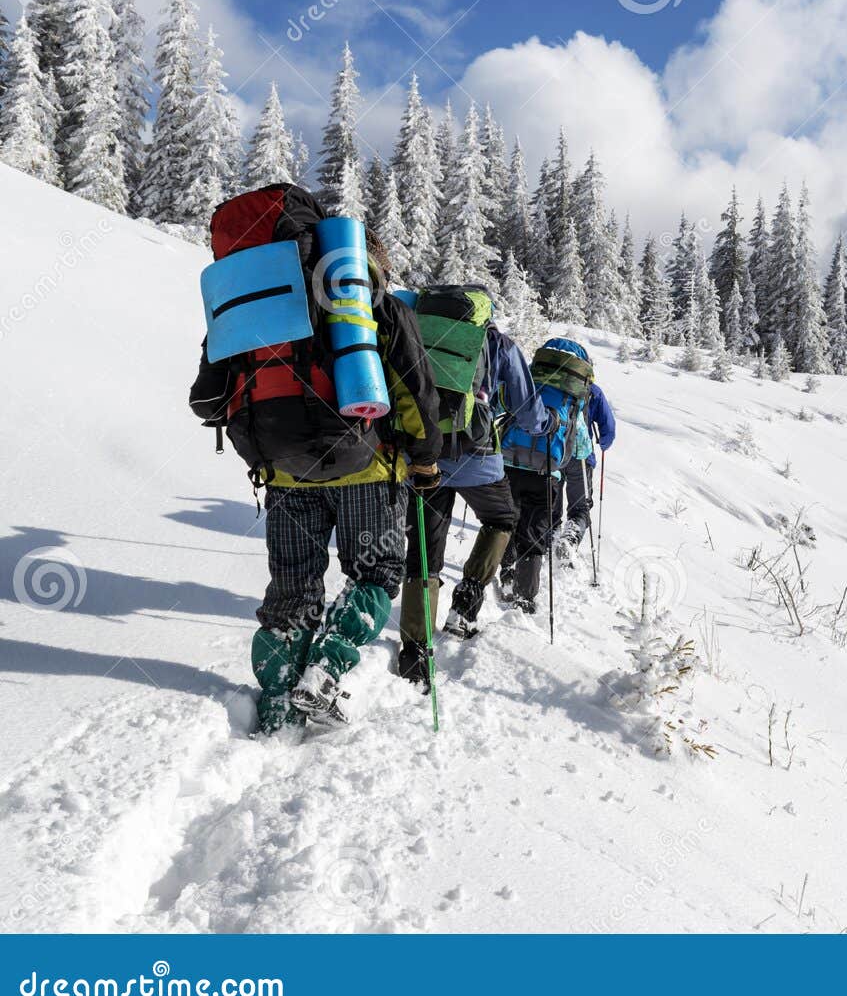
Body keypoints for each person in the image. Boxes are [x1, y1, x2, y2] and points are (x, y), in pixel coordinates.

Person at [190, 229, 440, 734]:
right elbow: (415, 390)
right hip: (367, 469)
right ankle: (325, 669)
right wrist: (426, 458)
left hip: (285, 472)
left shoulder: (259, 301)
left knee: (292, 589)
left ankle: (277, 708)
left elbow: (206, 398)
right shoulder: (376, 305)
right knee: (374, 575)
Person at [398, 318, 548, 690]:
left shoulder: (418, 325)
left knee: (424, 546)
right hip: (476, 456)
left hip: (422, 452)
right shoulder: (498, 344)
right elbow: (528, 412)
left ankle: (415, 648)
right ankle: (465, 606)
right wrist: (546, 425)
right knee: (502, 518)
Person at [498, 338, 594, 614]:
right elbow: (581, 446)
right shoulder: (571, 399)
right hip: (546, 473)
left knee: (509, 520)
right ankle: (524, 598)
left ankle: (507, 572)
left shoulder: (531, 382)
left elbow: (504, 405)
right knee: (534, 531)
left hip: (509, 462)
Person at [558, 381, 615, 547]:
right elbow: (609, 429)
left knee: (549, 505)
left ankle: (550, 539)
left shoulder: (552, 382)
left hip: (553, 453)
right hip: (580, 456)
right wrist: (603, 443)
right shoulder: (592, 391)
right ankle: (570, 540)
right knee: (580, 508)